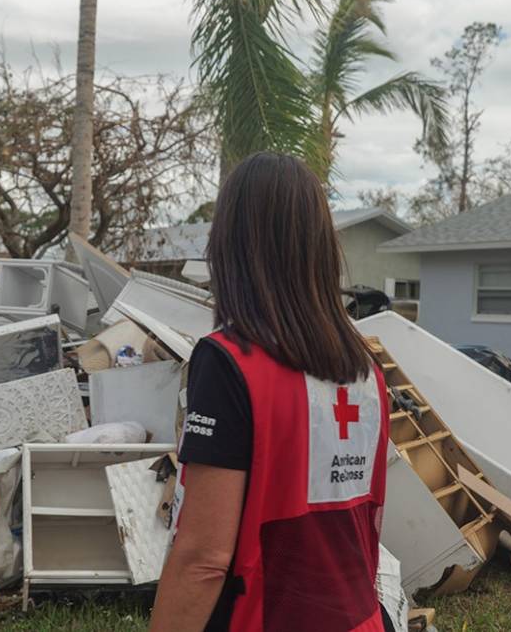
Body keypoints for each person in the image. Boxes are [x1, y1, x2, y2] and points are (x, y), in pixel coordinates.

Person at [149, 152, 390, 632]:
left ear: (232, 245)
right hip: (359, 619)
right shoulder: (367, 370)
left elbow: (204, 558)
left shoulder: (229, 363)